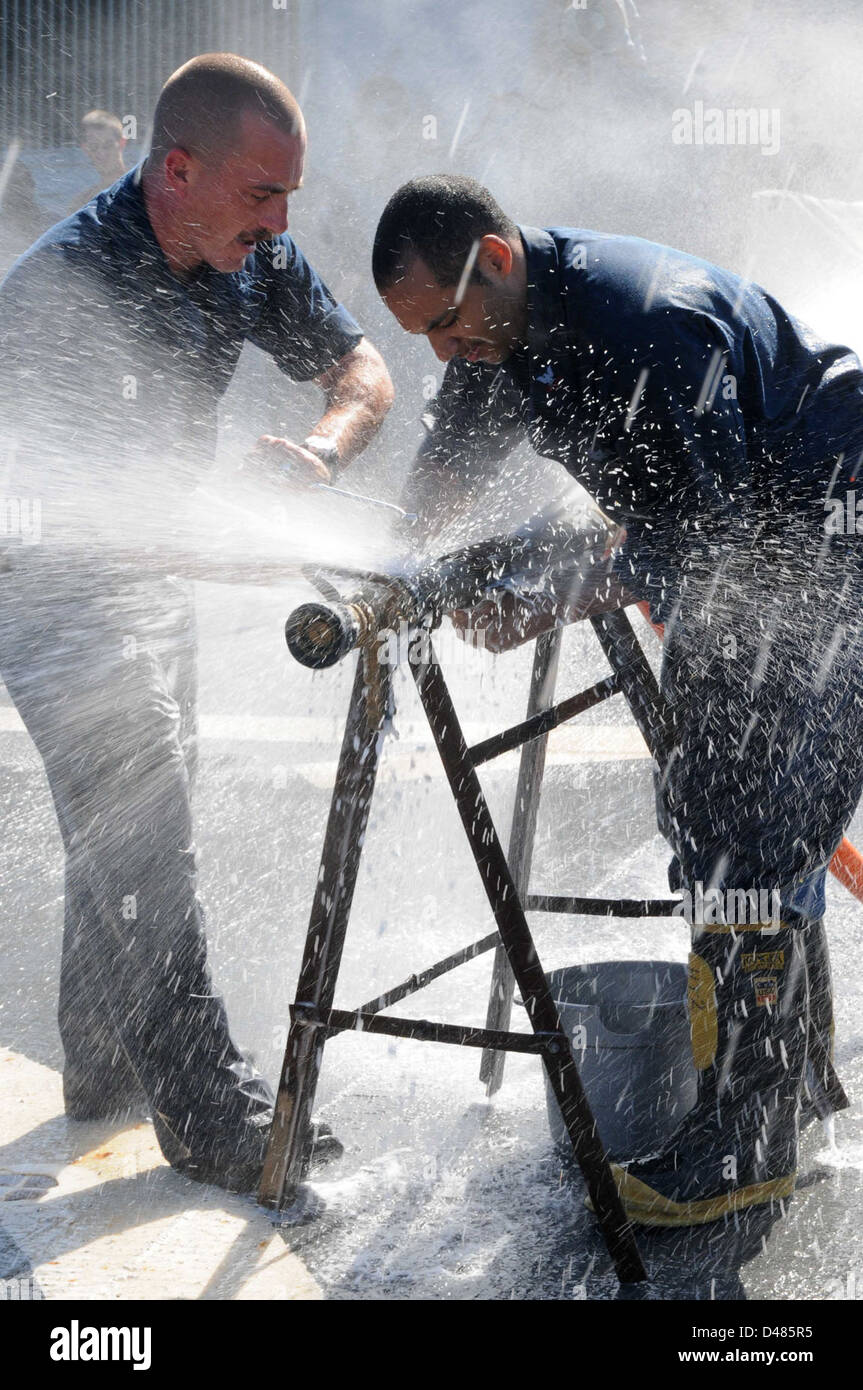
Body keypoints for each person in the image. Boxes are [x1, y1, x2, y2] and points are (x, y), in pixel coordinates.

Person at [372, 173, 862, 1227]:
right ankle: (795, 1081)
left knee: (741, 830)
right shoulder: (496, 328)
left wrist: (536, 603)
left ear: (493, 261)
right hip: (751, 554)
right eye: (419, 335)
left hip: (822, 547)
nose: (439, 351)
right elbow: (452, 448)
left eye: (443, 323)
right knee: (723, 819)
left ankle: (749, 1137)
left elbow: (700, 542)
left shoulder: (642, 327)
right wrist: (399, 562)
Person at [0, 53, 393, 1193]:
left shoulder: (250, 252)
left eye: (289, 198)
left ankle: (104, 1066)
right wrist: (229, 537)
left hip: (148, 576)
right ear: (175, 170)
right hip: (51, 586)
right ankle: (212, 1113)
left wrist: (319, 455)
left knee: (123, 827)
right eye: (262, 194)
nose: (280, 224)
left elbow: (363, 368)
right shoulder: (56, 295)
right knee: (145, 831)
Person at [66, 109, 128, 215]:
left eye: (108, 145)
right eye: (94, 147)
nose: (102, 154)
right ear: (85, 149)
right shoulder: (82, 204)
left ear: (122, 143)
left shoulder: (140, 186)